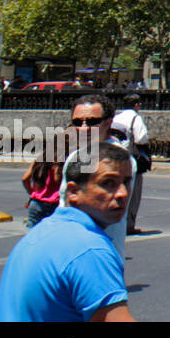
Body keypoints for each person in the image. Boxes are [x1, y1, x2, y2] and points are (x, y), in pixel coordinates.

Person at [0, 142, 135, 322]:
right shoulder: (91, 250)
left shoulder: (40, 232)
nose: (122, 193)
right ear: (73, 191)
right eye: (108, 183)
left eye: (126, 182)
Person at [61, 94, 134, 261]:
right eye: (78, 122)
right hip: (71, 250)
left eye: (93, 122)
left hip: (101, 254)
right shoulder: (75, 157)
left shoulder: (121, 159)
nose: (84, 127)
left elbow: (111, 206)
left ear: (108, 123)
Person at [111, 93, 148, 235]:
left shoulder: (116, 117)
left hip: (115, 158)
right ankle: (129, 225)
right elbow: (141, 138)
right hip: (131, 159)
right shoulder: (135, 118)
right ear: (136, 105)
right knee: (134, 193)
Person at [21, 131, 65, 229]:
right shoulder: (61, 161)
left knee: (32, 236)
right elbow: (57, 179)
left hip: (36, 203)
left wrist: (31, 191)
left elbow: (25, 178)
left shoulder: (39, 160)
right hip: (54, 205)